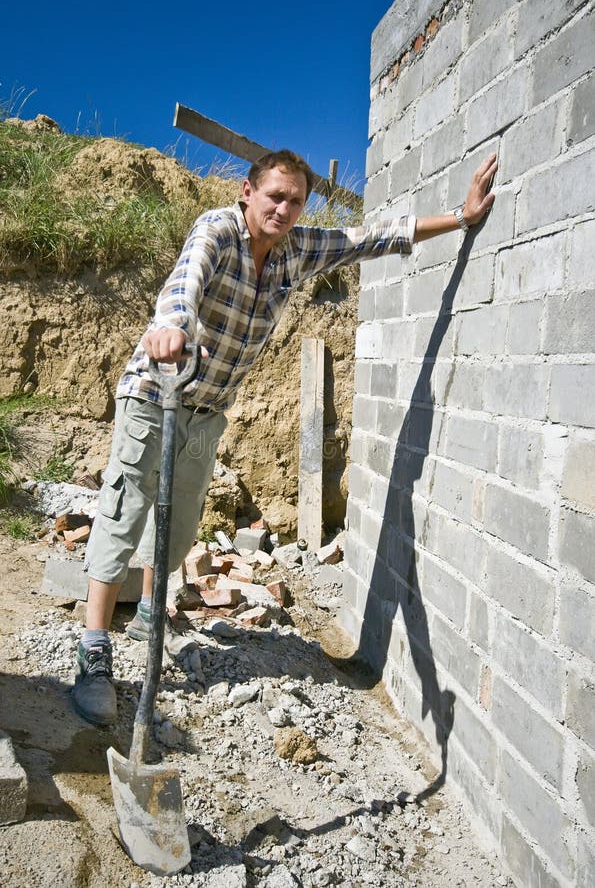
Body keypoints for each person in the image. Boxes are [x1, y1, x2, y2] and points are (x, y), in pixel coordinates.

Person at [73, 148, 497, 726]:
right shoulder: (216, 230)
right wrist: (171, 325)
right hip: (155, 395)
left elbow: (372, 236)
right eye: (275, 196)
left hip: (207, 409)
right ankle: (94, 650)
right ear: (248, 192)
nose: (284, 208)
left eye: (296, 200)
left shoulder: (298, 249)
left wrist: (462, 217)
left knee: (177, 527)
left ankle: (152, 610)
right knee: (124, 513)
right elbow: (184, 282)